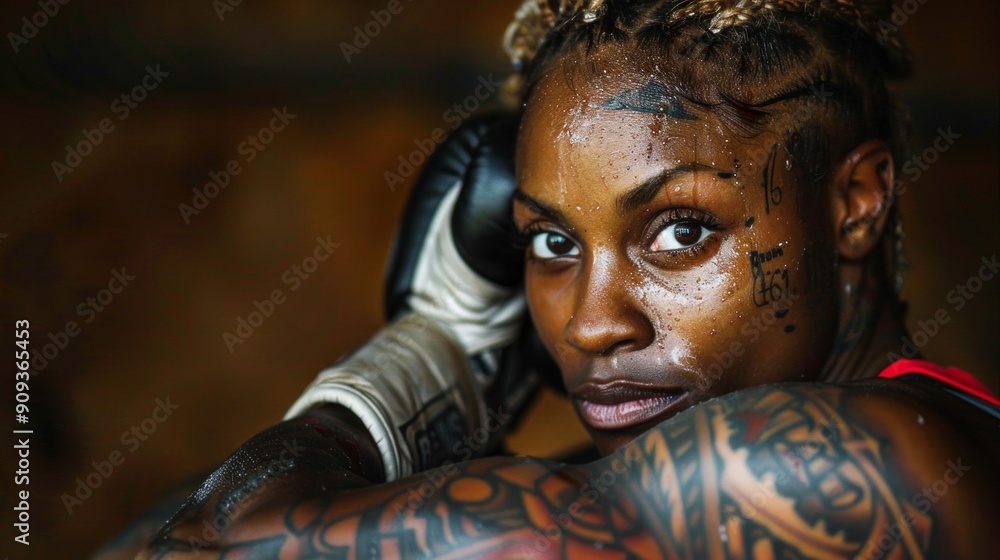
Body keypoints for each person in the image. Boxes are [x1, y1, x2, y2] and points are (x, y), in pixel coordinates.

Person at [107, 0, 1000, 558]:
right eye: (550, 244)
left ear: (855, 201)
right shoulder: (638, 487)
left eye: (680, 231)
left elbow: (214, 541)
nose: (589, 324)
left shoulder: (847, 463)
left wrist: (439, 349)